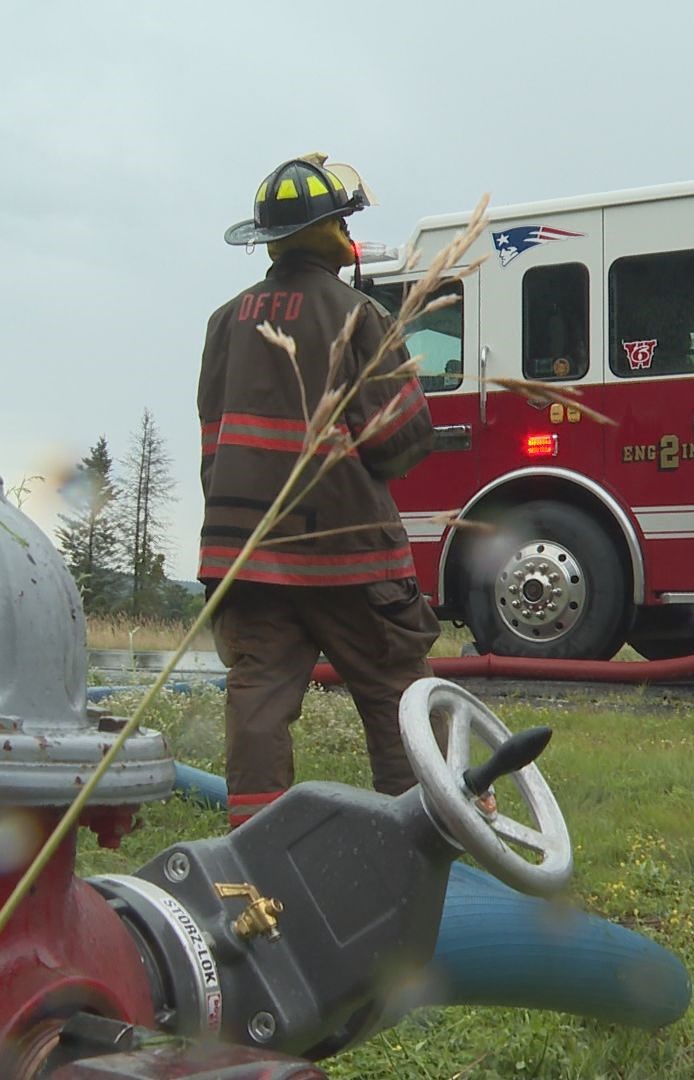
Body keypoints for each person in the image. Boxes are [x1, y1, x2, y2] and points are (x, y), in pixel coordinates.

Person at [200, 155, 439, 828]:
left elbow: (212, 447)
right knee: (397, 694)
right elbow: (399, 443)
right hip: (350, 554)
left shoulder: (224, 322)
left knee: (257, 702)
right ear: (333, 230)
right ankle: (420, 832)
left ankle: (254, 853)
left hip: (247, 556)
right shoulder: (356, 314)